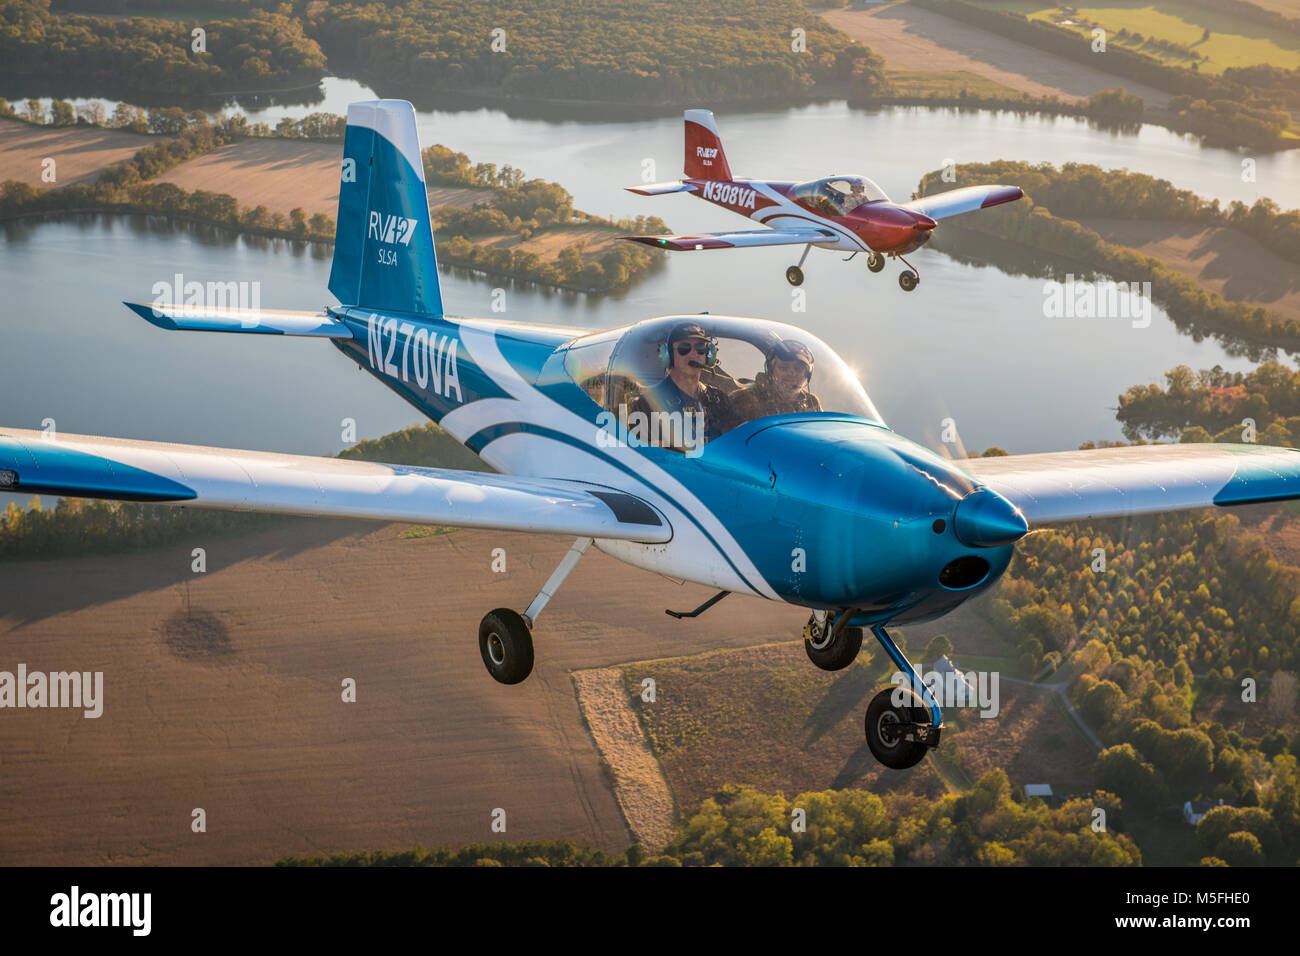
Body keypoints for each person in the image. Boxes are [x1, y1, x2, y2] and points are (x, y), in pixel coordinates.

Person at [627, 322, 741, 450]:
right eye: (684, 349)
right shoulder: (648, 403)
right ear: (668, 355)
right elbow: (646, 457)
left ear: (708, 354)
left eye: (700, 348)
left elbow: (743, 436)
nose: (693, 354)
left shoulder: (718, 399)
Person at [731, 339, 822, 422]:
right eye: (784, 368)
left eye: (798, 369)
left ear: (807, 374)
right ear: (771, 371)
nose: (791, 373)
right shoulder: (744, 399)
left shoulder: (811, 402)